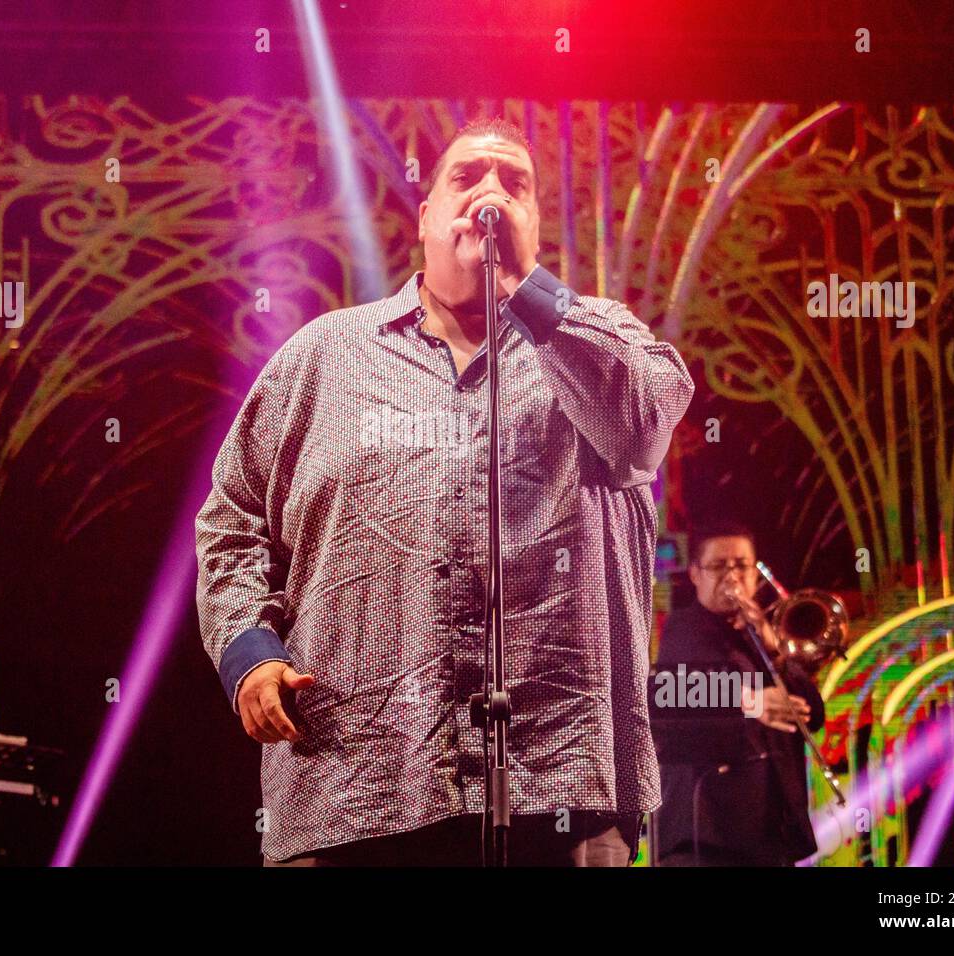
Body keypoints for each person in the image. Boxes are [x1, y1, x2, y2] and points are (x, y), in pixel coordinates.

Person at [194, 117, 694, 865]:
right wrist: (249, 651)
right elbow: (233, 519)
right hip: (354, 786)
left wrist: (526, 291)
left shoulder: (603, 336)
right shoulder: (322, 357)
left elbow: (640, 427)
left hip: (561, 785)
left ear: (533, 223)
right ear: (425, 216)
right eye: (466, 178)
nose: (489, 193)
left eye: (514, 184)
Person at [652, 520, 826, 866]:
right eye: (719, 566)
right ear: (695, 574)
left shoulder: (762, 636)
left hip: (771, 836)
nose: (733, 577)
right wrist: (750, 701)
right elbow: (669, 694)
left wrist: (775, 648)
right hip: (706, 835)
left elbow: (813, 716)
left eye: (742, 566)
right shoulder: (684, 629)